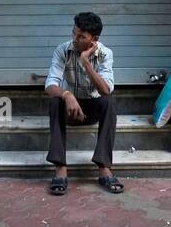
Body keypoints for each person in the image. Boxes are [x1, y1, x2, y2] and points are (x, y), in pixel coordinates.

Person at [43, 11, 123, 195]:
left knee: (109, 100)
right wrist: (67, 95)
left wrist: (85, 62)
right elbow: (50, 84)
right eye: (73, 33)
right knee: (55, 101)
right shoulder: (62, 50)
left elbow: (105, 89)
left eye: (81, 36)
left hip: (92, 108)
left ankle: (104, 168)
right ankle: (60, 168)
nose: (75, 39)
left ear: (93, 39)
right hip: (70, 109)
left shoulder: (105, 54)